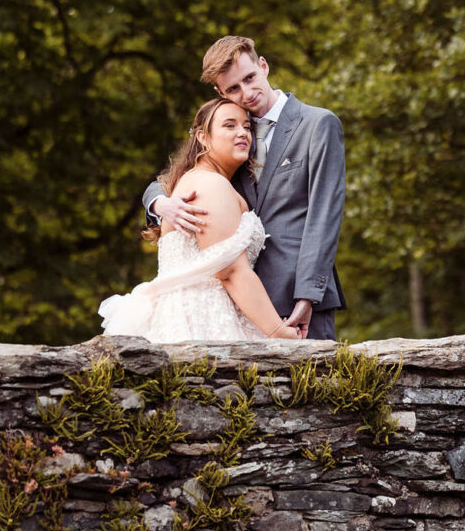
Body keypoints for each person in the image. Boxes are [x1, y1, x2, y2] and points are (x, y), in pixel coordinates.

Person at [144, 36, 346, 340]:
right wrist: (160, 204)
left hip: (299, 298)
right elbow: (171, 180)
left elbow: (324, 215)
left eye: (250, 78)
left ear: (262, 66)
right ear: (220, 92)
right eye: (233, 89)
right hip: (239, 302)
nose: (247, 93)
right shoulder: (232, 134)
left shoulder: (317, 124)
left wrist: (308, 295)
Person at [99, 99, 305, 342]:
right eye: (229, 126)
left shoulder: (209, 180)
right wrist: (277, 331)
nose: (242, 133)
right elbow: (229, 270)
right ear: (203, 137)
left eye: (247, 127)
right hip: (202, 318)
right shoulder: (209, 185)